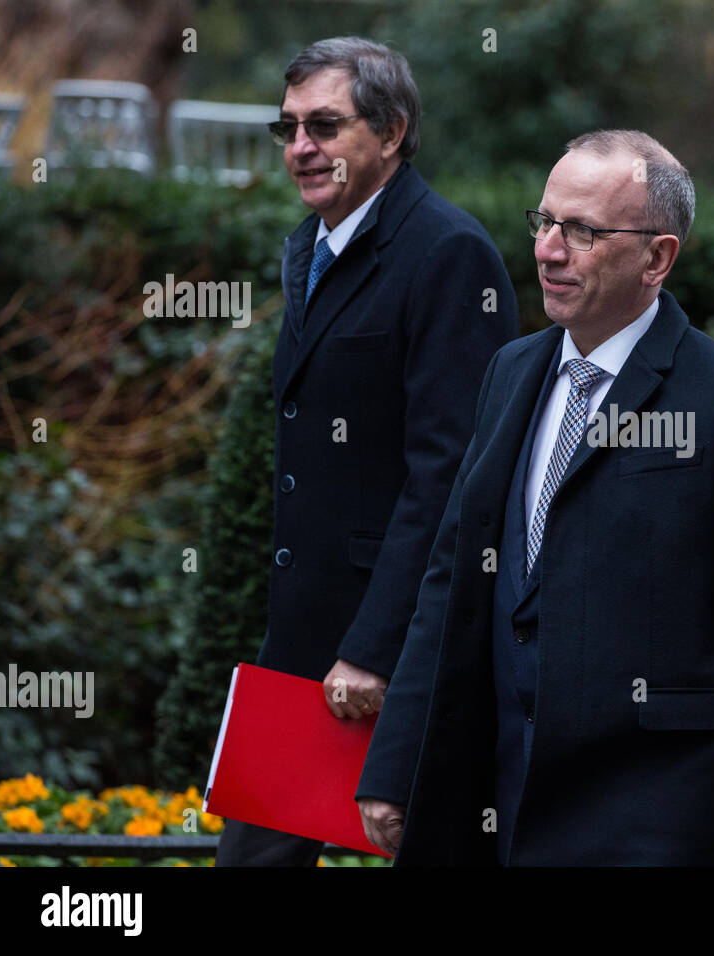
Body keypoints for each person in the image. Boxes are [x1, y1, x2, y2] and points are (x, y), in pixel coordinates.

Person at [354, 129, 714, 865]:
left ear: (658, 258)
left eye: (583, 231)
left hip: (659, 828)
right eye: (544, 222)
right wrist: (396, 764)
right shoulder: (510, 372)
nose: (548, 250)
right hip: (499, 808)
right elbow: (452, 583)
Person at [213, 37, 518, 866]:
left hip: (397, 646)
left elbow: (451, 475)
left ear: (390, 132)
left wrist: (375, 646)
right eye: (289, 130)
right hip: (299, 639)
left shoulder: (449, 253)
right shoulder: (309, 245)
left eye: (325, 126)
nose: (302, 148)